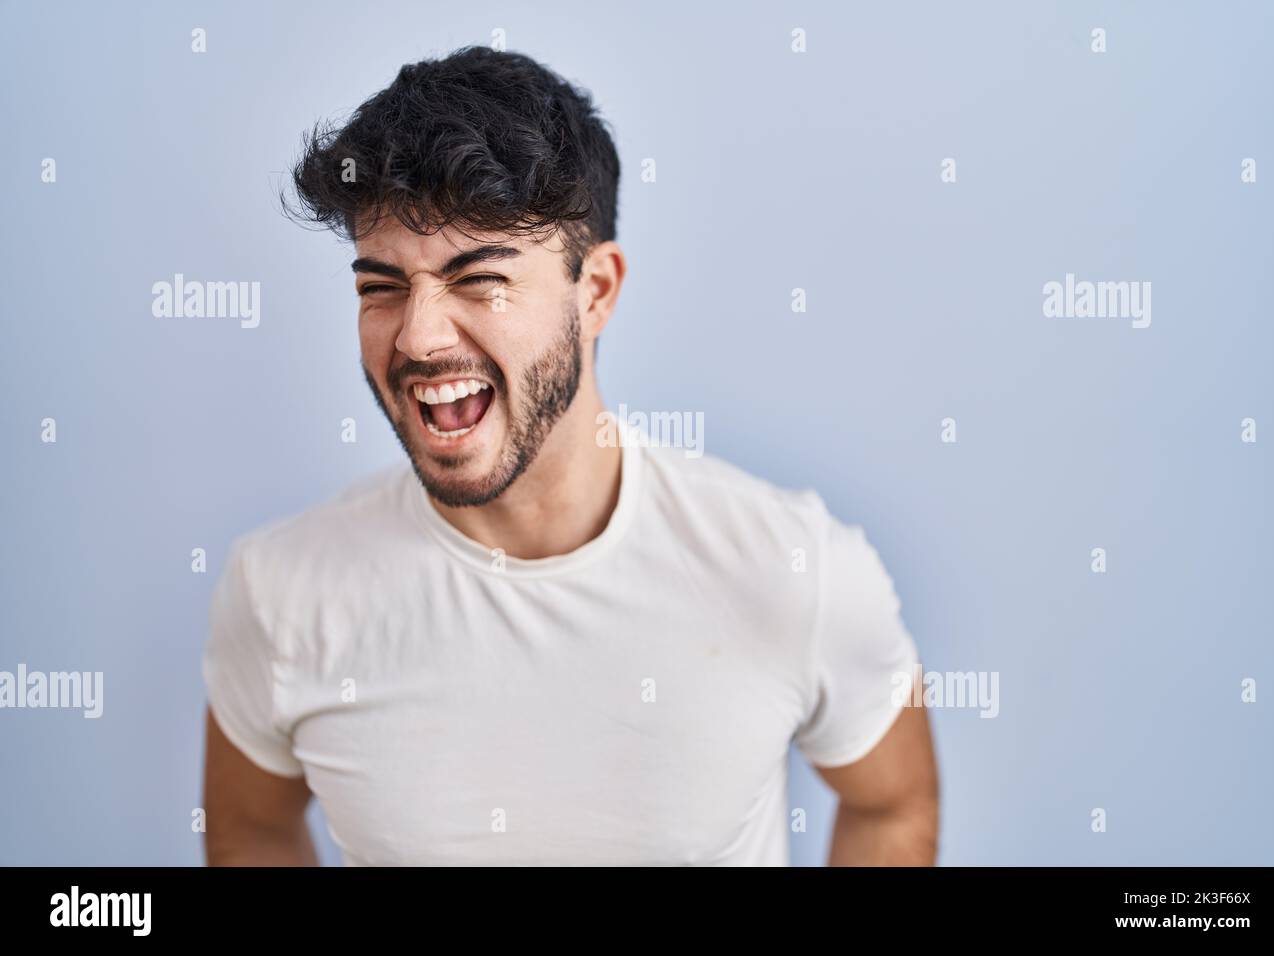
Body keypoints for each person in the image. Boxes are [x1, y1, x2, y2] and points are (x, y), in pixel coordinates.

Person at [201, 45, 938, 866]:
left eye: (478, 279)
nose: (417, 336)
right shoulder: (278, 592)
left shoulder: (798, 569)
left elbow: (895, 805)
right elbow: (251, 831)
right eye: (381, 287)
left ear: (596, 293)